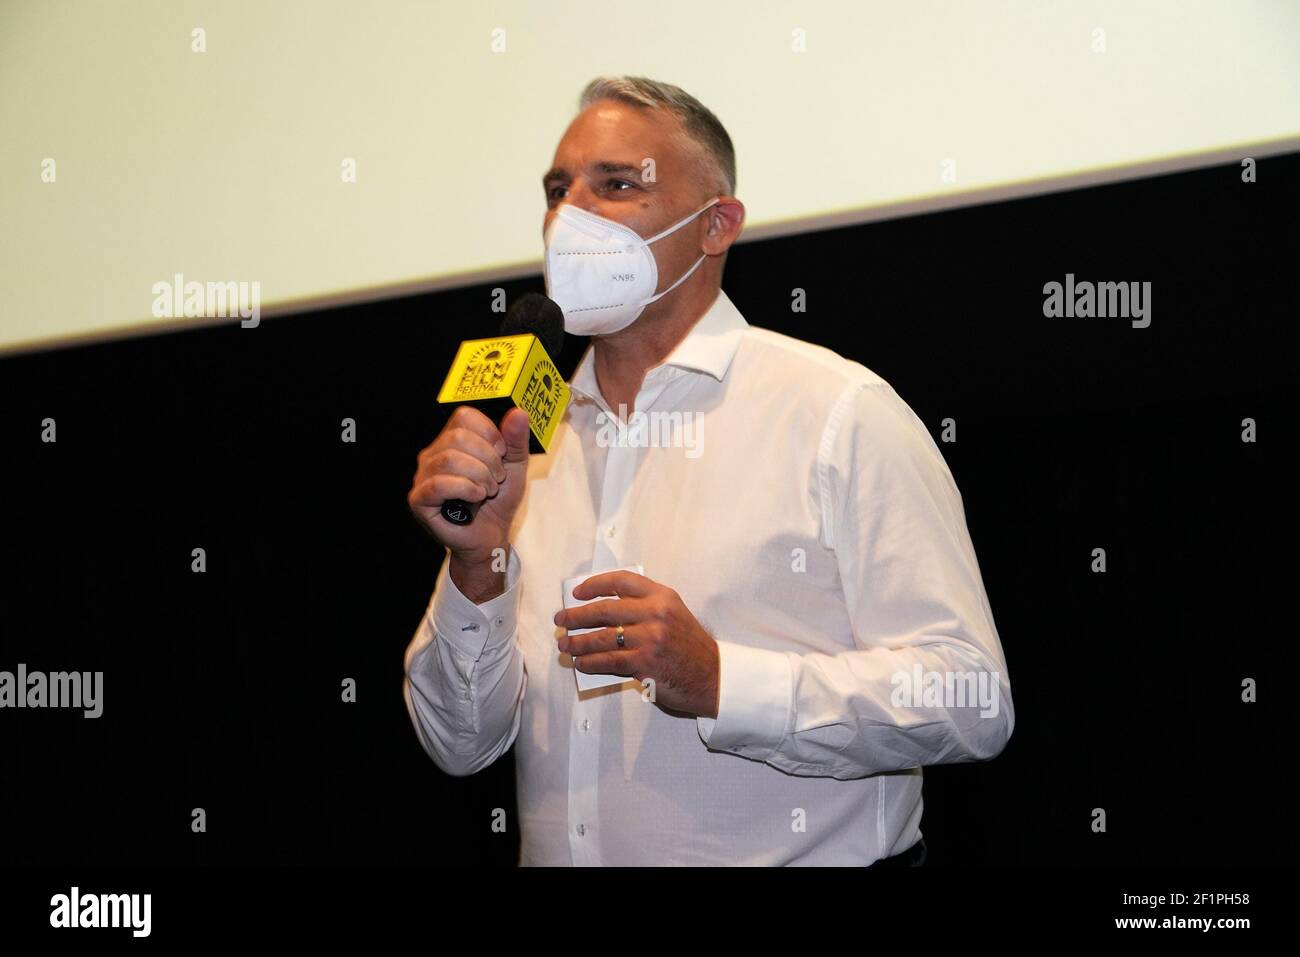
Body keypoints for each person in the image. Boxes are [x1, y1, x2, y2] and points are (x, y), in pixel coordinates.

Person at [403, 76, 1014, 866]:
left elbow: (972, 699)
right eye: (558, 190)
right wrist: (474, 564)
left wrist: (723, 679)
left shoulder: (836, 411)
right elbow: (459, 745)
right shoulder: (523, 443)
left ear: (715, 225)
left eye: (617, 184)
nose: (570, 216)